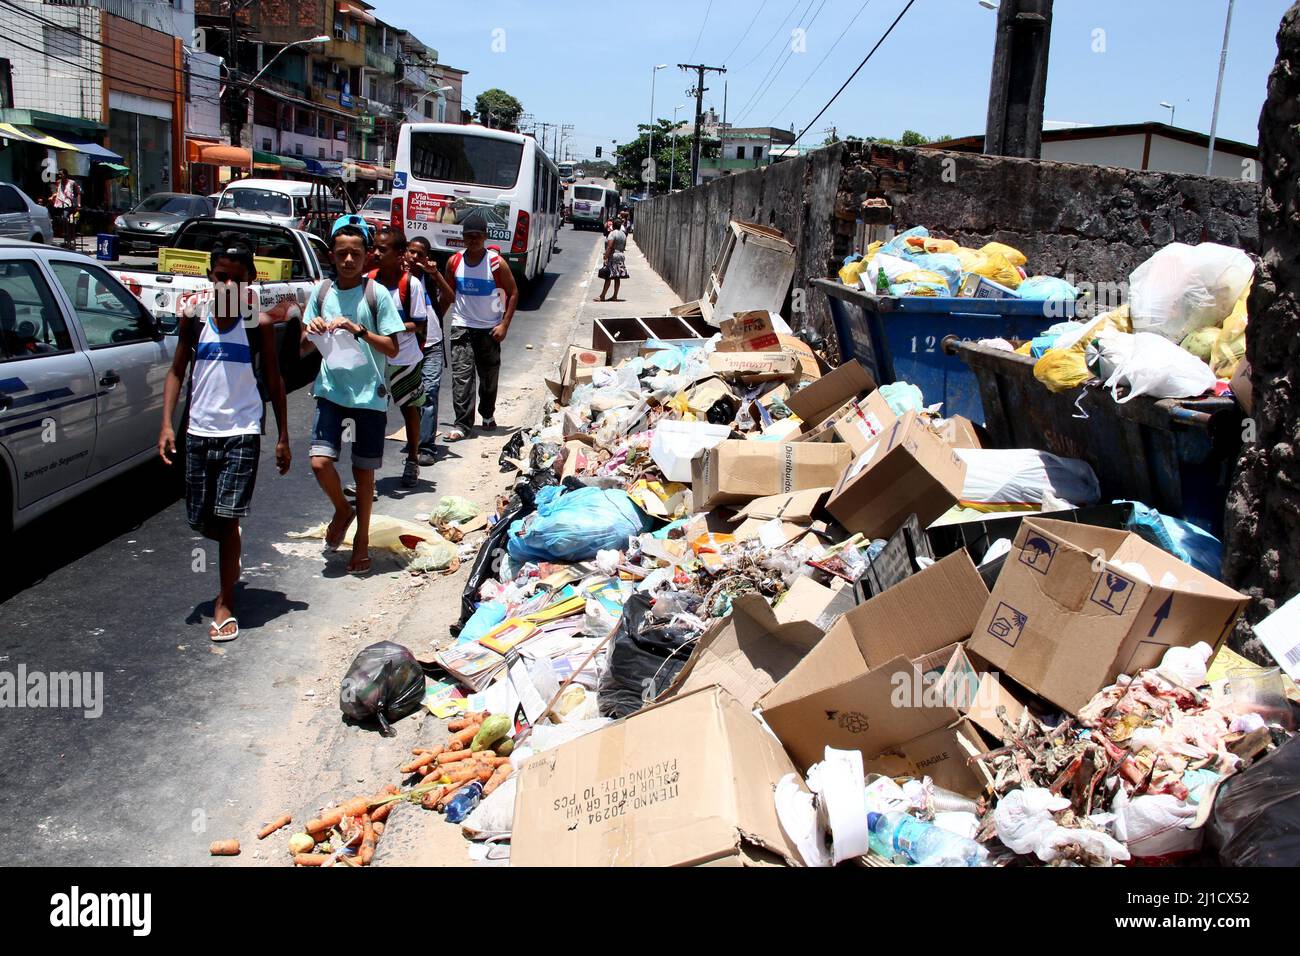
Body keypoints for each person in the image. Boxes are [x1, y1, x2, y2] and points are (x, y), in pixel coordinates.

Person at [158, 237, 291, 642]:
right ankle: (229, 536)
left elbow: (274, 379)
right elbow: (177, 372)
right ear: (209, 276)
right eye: (221, 277)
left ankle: (225, 602)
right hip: (199, 431)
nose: (228, 286)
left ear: (250, 280)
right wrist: (167, 424)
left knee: (227, 518)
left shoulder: (259, 326)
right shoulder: (195, 319)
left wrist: (283, 436)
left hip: (243, 432)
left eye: (237, 279)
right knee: (201, 519)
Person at [301, 215, 403, 574]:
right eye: (342, 253)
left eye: (355, 254)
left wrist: (358, 329)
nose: (348, 260)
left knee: (364, 475)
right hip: (330, 391)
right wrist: (311, 329)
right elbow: (302, 347)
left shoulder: (376, 296)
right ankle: (343, 511)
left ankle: (361, 542)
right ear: (331, 255)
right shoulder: (322, 293)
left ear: (367, 257)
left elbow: (393, 348)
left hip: (368, 398)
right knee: (319, 462)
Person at [439, 211, 518, 442]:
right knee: (462, 378)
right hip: (461, 326)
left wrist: (504, 325)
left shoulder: (495, 263)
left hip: (489, 330)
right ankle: (462, 424)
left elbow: (513, 293)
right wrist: (433, 324)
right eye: (468, 236)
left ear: (484, 236)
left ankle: (487, 413)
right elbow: (448, 295)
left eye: (477, 236)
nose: (472, 240)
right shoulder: (455, 262)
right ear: (463, 238)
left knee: (488, 376)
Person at [367, 227, 429, 488]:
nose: (377, 253)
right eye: (375, 248)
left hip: (404, 359)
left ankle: (413, 459)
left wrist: (392, 327)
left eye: (384, 249)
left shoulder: (410, 284)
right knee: (370, 415)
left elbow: (420, 324)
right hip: (374, 359)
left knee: (409, 409)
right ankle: (366, 473)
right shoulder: (367, 281)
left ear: (399, 254)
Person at [406, 234, 454, 465]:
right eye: (411, 252)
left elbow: (450, 297)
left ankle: (427, 446)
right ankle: (414, 437)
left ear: (427, 258)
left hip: (432, 344)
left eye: (420, 254)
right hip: (408, 346)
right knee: (411, 395)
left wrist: (435, 273)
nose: (414, 257)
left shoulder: (429, 278)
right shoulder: (399, 279)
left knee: (430, 392)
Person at [595, 219, 629, 302]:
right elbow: (624, 247)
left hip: (613, 256)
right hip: (620, 255)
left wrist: (606, 257)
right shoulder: (623, 234)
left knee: (608, 276)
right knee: (617, 277)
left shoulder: (612, 233)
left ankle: (602, 296)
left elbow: (610, 247)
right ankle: (615, 296)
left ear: (613, 225)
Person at [50, 169, 81, 249]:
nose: (60, 176)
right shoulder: (58, 182)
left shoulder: (72, 183)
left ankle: (69, 236)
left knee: (65, 216)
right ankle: (64, 234)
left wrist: (78, 204)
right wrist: (53, 196)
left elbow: (78, 194)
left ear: (66, 175)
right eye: (59, 174)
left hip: (69, 204)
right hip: (60, 204)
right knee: (55, 217)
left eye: (61, 174)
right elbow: (58, 192)